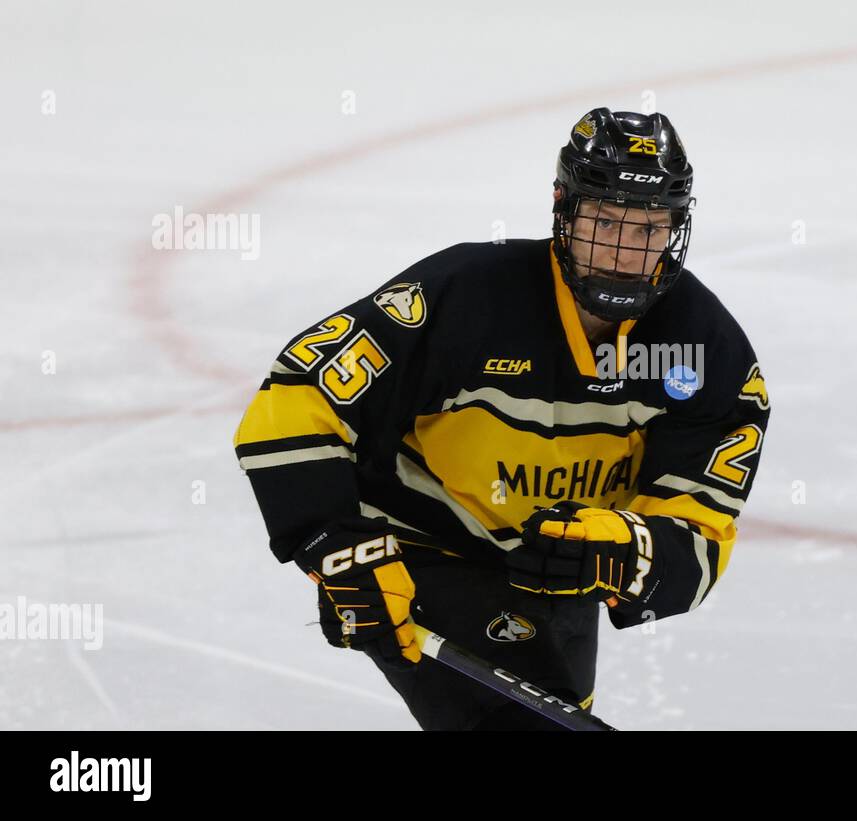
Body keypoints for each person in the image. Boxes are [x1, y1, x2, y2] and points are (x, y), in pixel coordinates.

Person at [232, 107, 771, 730]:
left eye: (648, 228)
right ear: (562, 210)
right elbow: (294, 403)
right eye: (605, 221)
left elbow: (702, 528)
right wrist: (338, 545)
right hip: (423, 546)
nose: (625, 252)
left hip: (559, 574)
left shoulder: (706, 348)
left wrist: (627, 550)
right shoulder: (465, 296)